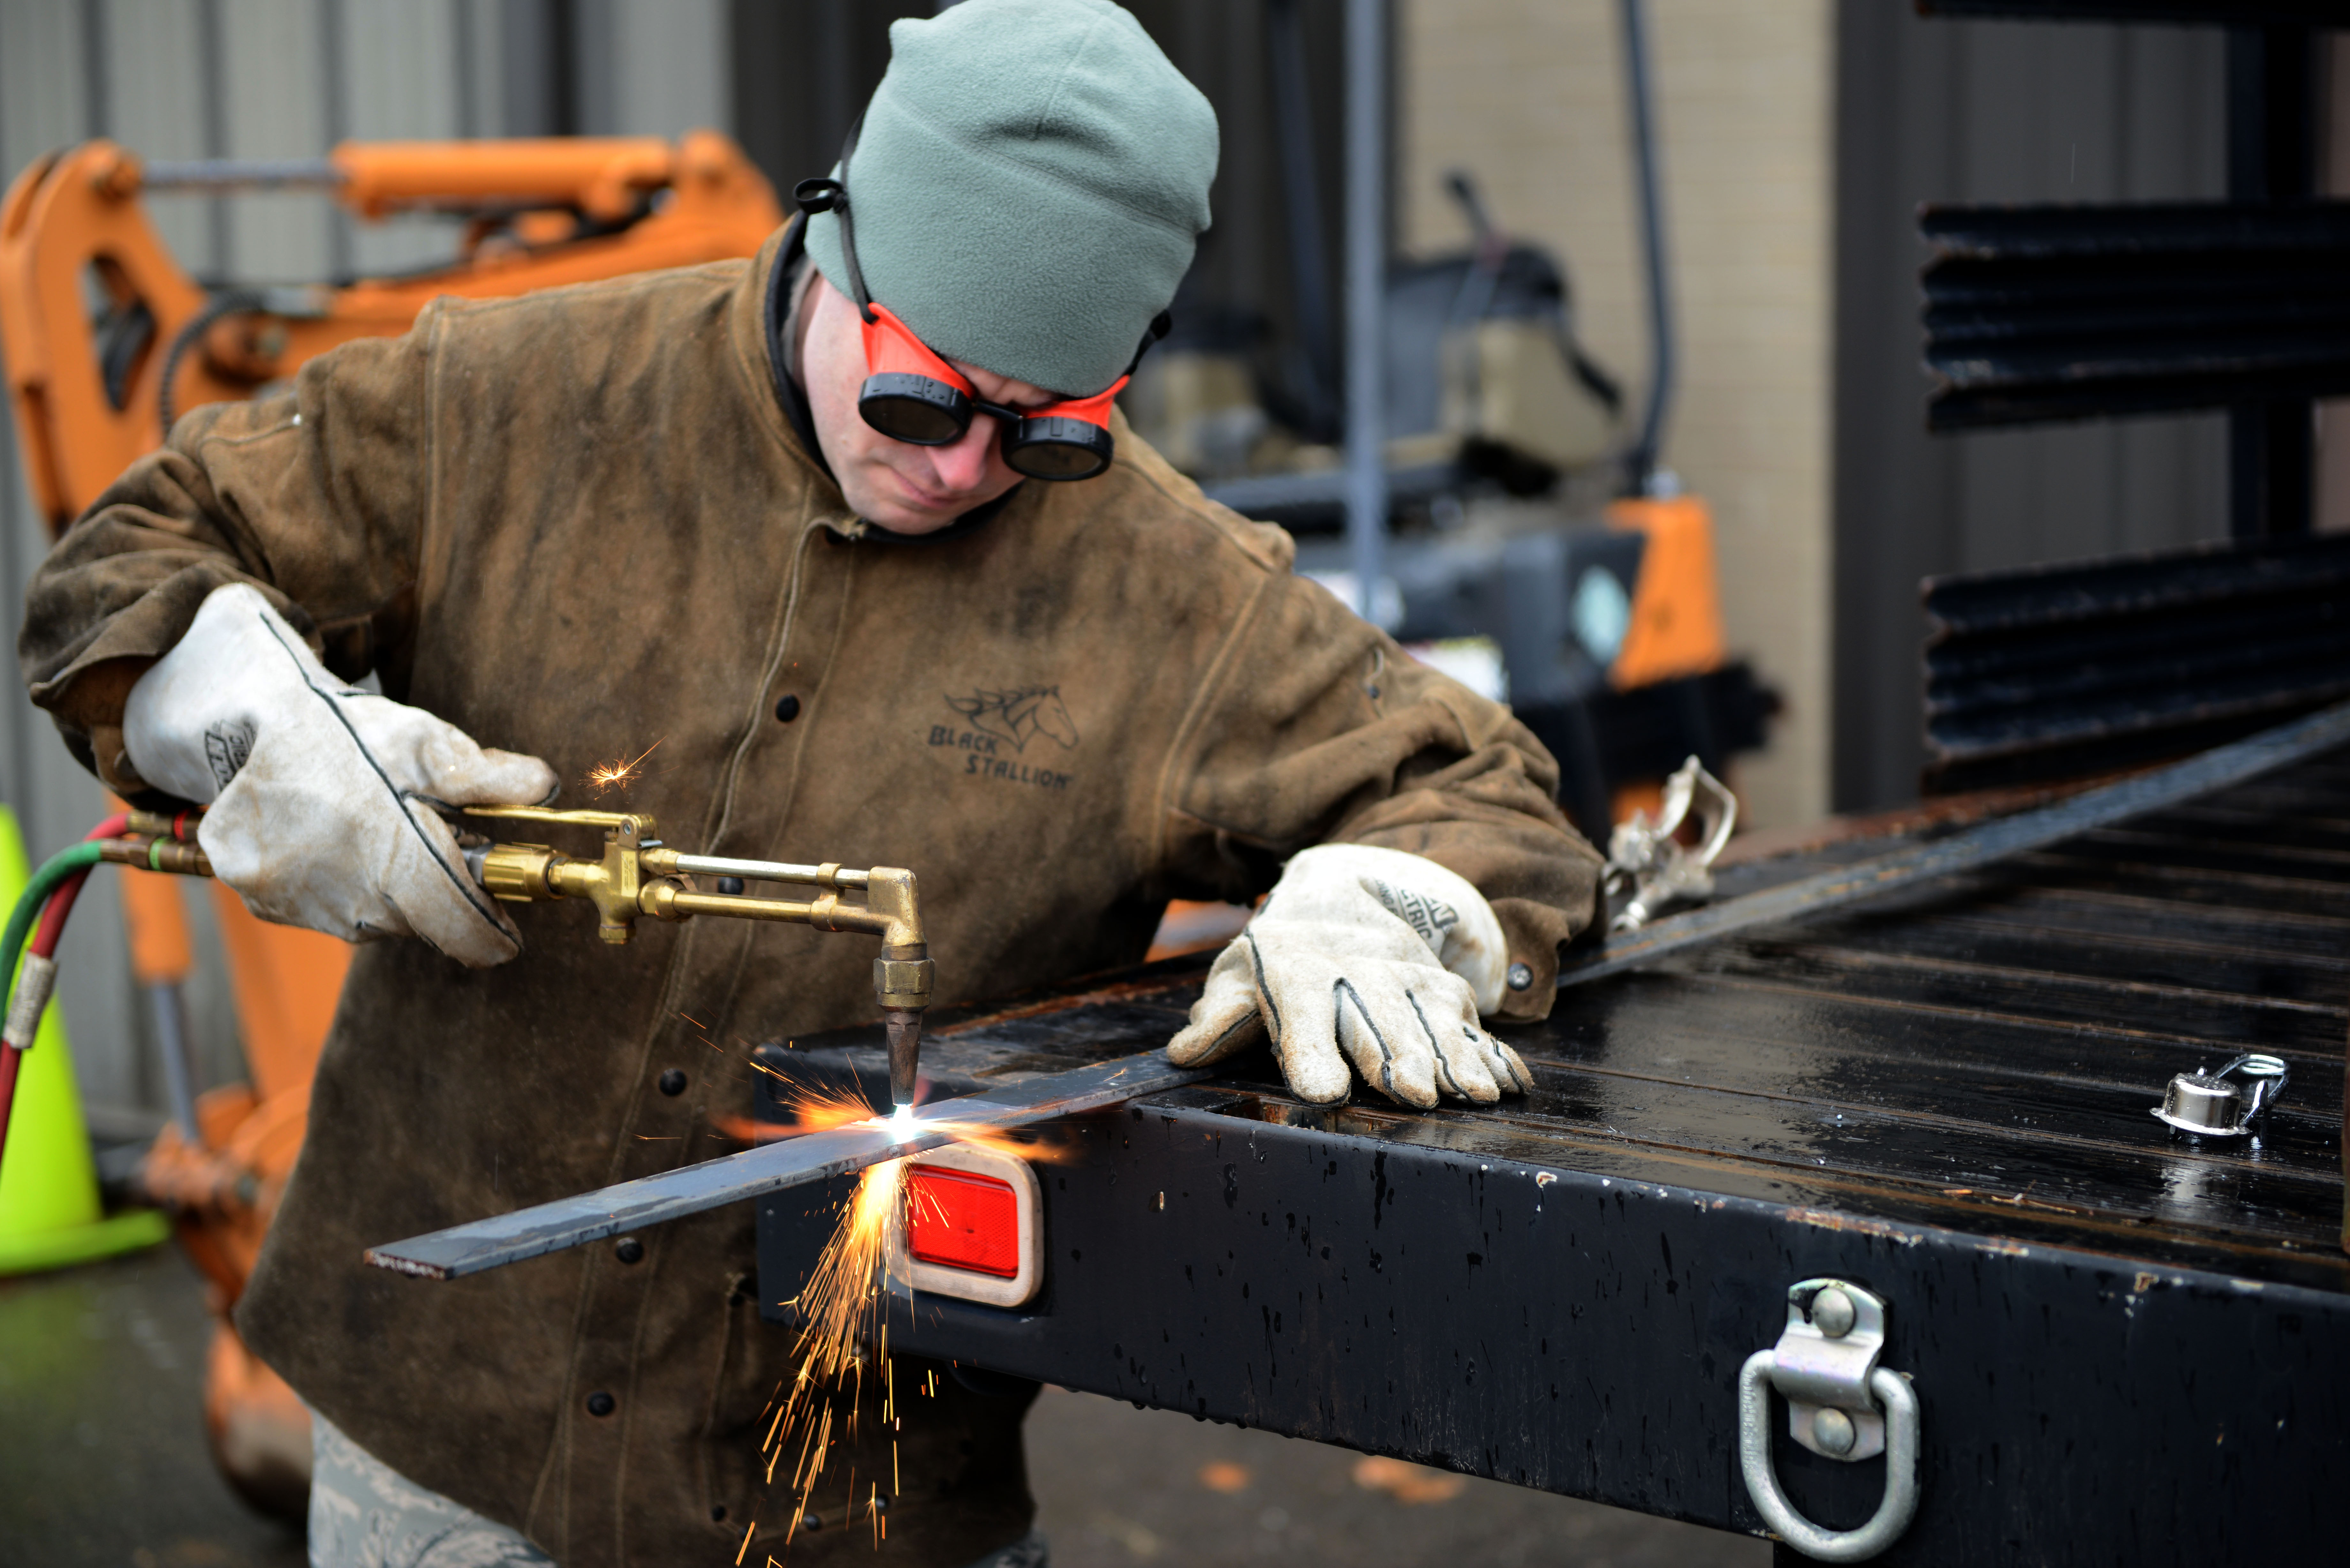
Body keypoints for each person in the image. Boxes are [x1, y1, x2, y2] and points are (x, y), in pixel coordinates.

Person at [18, 2, 1601, 1564]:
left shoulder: (1174, 593)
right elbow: (127, 558)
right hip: (442, 1454)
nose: (962, 466)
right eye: (922, 400)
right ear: (835, 241)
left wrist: (1388, 894)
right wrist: (241, 711)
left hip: (862, 1507)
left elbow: (1482, 791)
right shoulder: (514, 404)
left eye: (1041, 434)